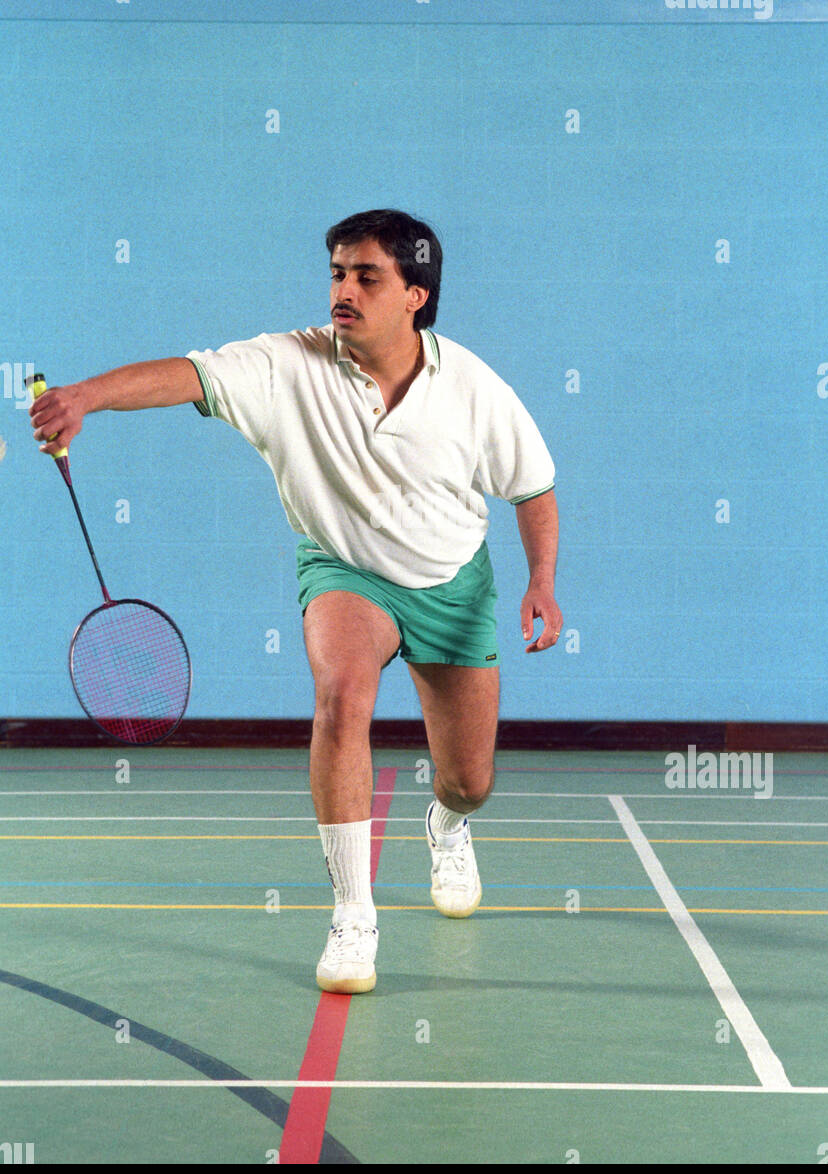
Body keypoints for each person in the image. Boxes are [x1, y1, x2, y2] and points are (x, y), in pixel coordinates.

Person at [29, 208, 562, 994]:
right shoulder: (287, 365)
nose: (343, 290)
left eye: (366, 277)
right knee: (342, 693)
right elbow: (187, 374)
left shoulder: (474, 389)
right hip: (345, 569)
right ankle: (353, 917)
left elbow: (532, 487)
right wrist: (85, 398)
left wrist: (541, 581)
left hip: (452, 582)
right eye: (337, 273)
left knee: (469, 782)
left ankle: (445, 825)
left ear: (415, 294)